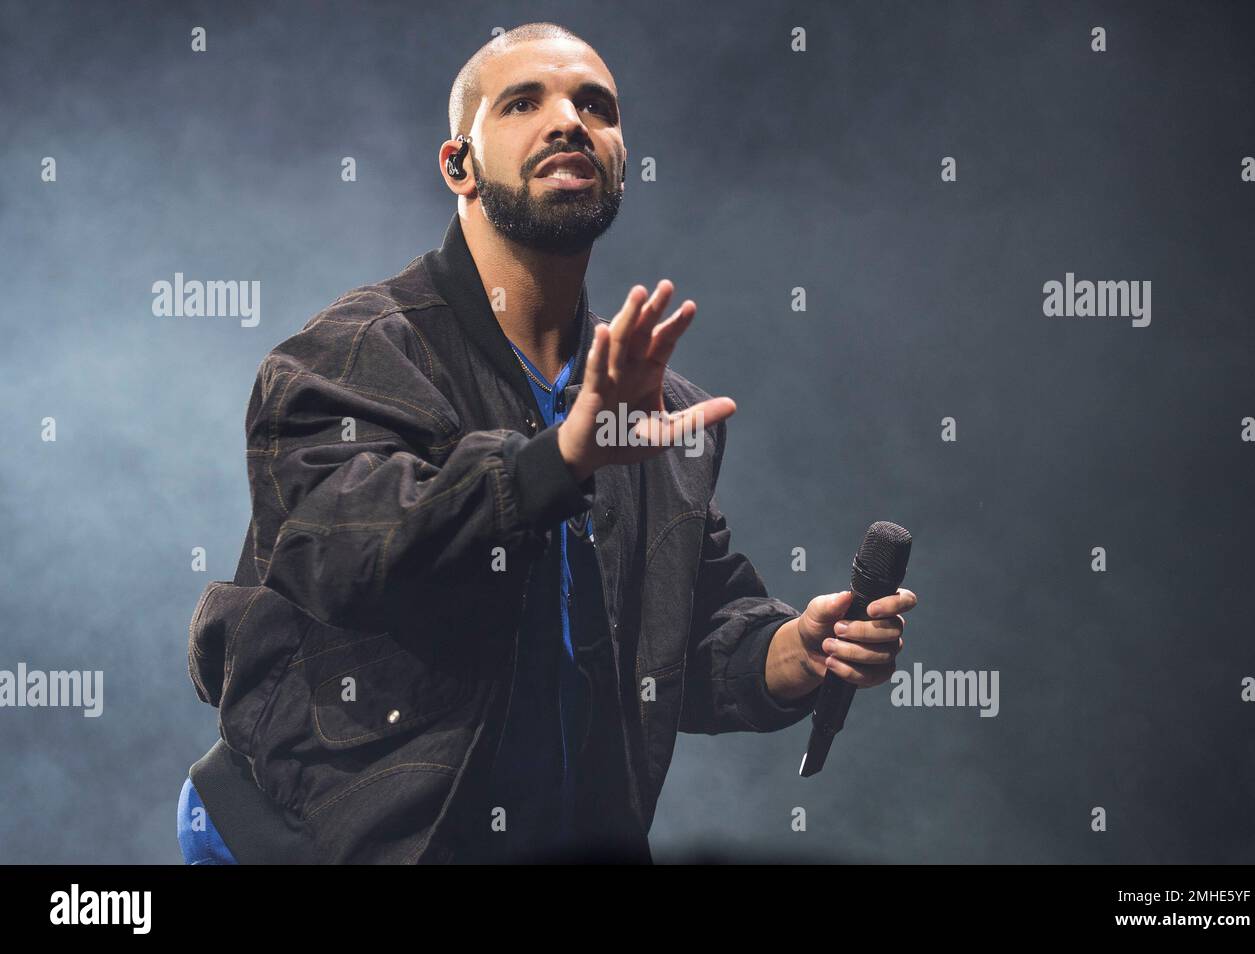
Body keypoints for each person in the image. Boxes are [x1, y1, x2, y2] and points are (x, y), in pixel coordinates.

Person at [179, 21, 916, 865]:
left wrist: (795, 652)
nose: (568, 120)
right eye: (523, 103)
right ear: (458, 165)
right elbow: (342, 551)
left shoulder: (659, 410)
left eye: (595, 106)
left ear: (621, 162)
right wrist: (559, 459)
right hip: (314, 844)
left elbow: (677, 633)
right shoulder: (356, 352)